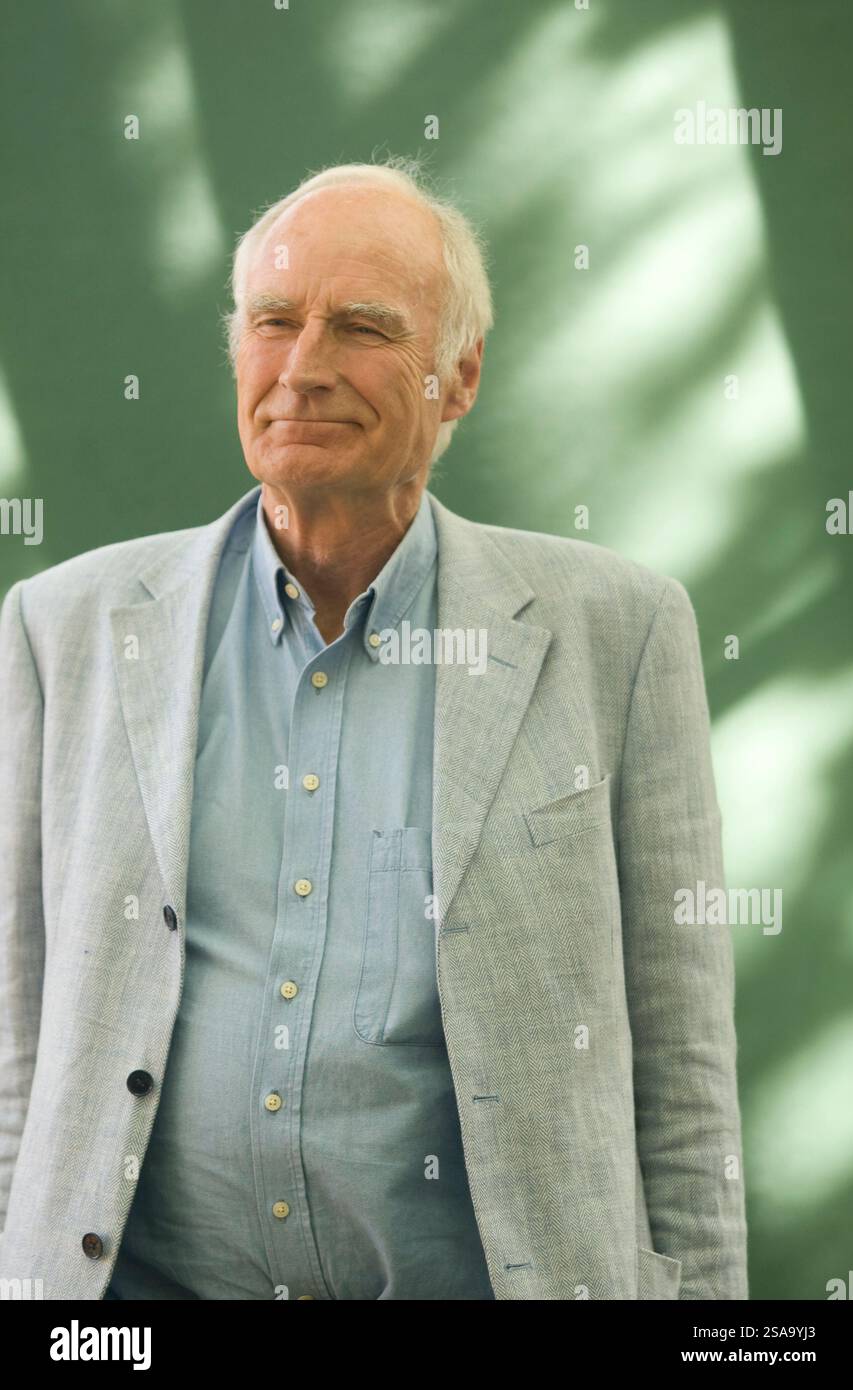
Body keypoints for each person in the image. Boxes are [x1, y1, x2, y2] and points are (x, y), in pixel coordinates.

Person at [0, 158, 747, 1300]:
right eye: (272, 323)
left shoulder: (618, 633)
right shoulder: (65, 631)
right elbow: (17, 1038)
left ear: (458, 375)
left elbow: (682, 1067)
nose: (303, 368)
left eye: (361, 327)